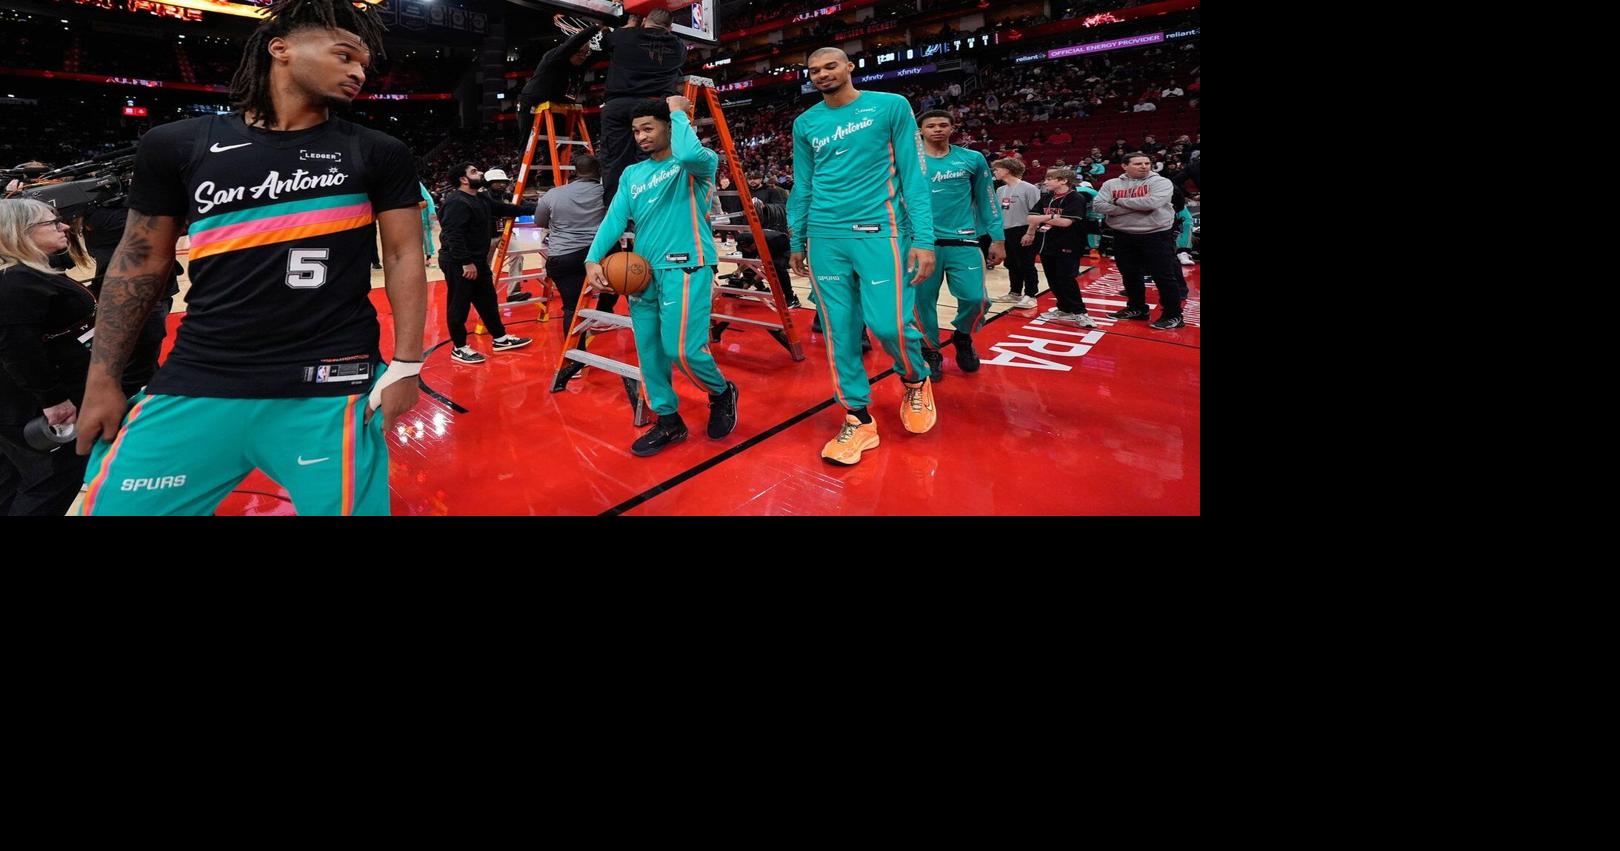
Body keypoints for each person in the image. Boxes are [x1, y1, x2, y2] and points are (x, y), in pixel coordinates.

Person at [73, 0, 429, 516]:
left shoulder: (377, 150)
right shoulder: (175, 144)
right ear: (279, 48)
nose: (357, 72)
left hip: (334, 387)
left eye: (364, 66)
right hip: (200, 375)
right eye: (345, 54)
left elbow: (402, 254)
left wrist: (407, 365)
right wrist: (101, 381)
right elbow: (139, 263)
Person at [788, 47, 936, 467]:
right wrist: (797, 239)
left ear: (850, 66)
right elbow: (803, 184)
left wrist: (923, 239)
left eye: (830, 66)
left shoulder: (891, 106)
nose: (821, 74)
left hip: (881, 231)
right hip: (823, 236)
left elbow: (913, 175)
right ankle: (857, 416)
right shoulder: (806, 122)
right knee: (840, 332)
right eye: (813, 70)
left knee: (887, 323)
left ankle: (915, 378)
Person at [584, 96, 738, 457]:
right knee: (650, 353)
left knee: (683, 350)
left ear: (669, 126)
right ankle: (669, 421)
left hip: (686, 266)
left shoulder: (698, 164)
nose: (640, 136)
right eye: (636, 130)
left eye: (648, 128)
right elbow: (615, 218)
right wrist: (593, 259)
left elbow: (687, 154)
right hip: (643, 273)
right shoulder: (632, 174)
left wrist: (678, 113)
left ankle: (720, 391)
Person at [0, 199, 103, 515]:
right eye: (53, 222)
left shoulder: (29, 274)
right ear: (21, 232)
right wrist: (53, 401)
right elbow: (18, 347)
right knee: (53, 477)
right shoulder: (16, 281)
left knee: (14, 479)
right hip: (35, 406)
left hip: (24, 401)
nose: (65, 227)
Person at [913, 110, 1004, 381]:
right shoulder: (908, 162)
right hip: (920, 244)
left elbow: (988, 200)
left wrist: (997, 238)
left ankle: (962, 335)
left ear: (953, 128)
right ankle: (930, 350)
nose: (937, 129)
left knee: (977, 299)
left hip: (963, 239)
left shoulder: (972, 159)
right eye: (931, 126)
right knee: (920, 303)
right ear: (921, 131)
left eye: (943, 125)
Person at [532, 153, 617, 383]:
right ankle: (605, 312)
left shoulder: (553, 194)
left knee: (572, 308)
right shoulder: (606, 193)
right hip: (598, 253)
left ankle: (575, 363)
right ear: (598, 172)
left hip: (564, 256)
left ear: (574, 172)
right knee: (624, 271)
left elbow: (539, 222)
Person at [438, 163, 535, 363]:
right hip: (459, 262)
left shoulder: (480, 198)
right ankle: (459, 347)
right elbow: (453, 236)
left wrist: (538, 207)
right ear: (463, 179)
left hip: (477, 260)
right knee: (459, 304)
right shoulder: (456, 202)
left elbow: (505, 208)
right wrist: (466, 262)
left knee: (487, 300)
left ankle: (500, 338)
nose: (480, 173)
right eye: (474, 171)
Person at [598, 9, 688, 207]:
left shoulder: (624, 35)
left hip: (619, 104)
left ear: (644, 20)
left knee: (615, 161)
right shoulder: (679, 46)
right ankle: (650, 209)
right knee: (650, 158)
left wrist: (630, 26)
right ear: (670, 27)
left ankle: (616, 213)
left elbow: (605, 43)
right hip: (652, 106)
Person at [1093, 153, 1188, 329]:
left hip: (1155, 234)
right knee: (1129, 274)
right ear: (1124, 166)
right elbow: (1098, 205)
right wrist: (1135, 208)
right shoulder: (1111, 184)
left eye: (1146, 163)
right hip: (1123, 235)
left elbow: (1151, 203)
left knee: (1164, 276)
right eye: (1138, 164)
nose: (1144, 166)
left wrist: (1118, 202)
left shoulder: (1161, 182)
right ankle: (1137, 308)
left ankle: (1174, 315)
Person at [1027, 166, 1097, 329]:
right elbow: (1030, 217)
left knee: (1066, 279)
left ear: (1063, 181)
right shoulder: (1046, 197)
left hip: (1068, 245)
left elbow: (1065, 222)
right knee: (1053, 279)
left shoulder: (1076, 198)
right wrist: (1052, 216)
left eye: (1050, 179)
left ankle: (1080, 313)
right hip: (1047, 243)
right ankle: (1064, 309)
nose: (1045, 182)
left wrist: (1043, 219)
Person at [991, 157, 1042, 309]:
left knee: (1026, 263)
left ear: (1007, 170)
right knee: (1011, 263)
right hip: (1007, 231)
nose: (995, 172)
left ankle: (1031, 295)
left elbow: (1037, 214)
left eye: (997, 169)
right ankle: (1015, 292)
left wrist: (1030, 232)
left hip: (1024, 229)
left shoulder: (1029, 188)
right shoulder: (1000, 190)